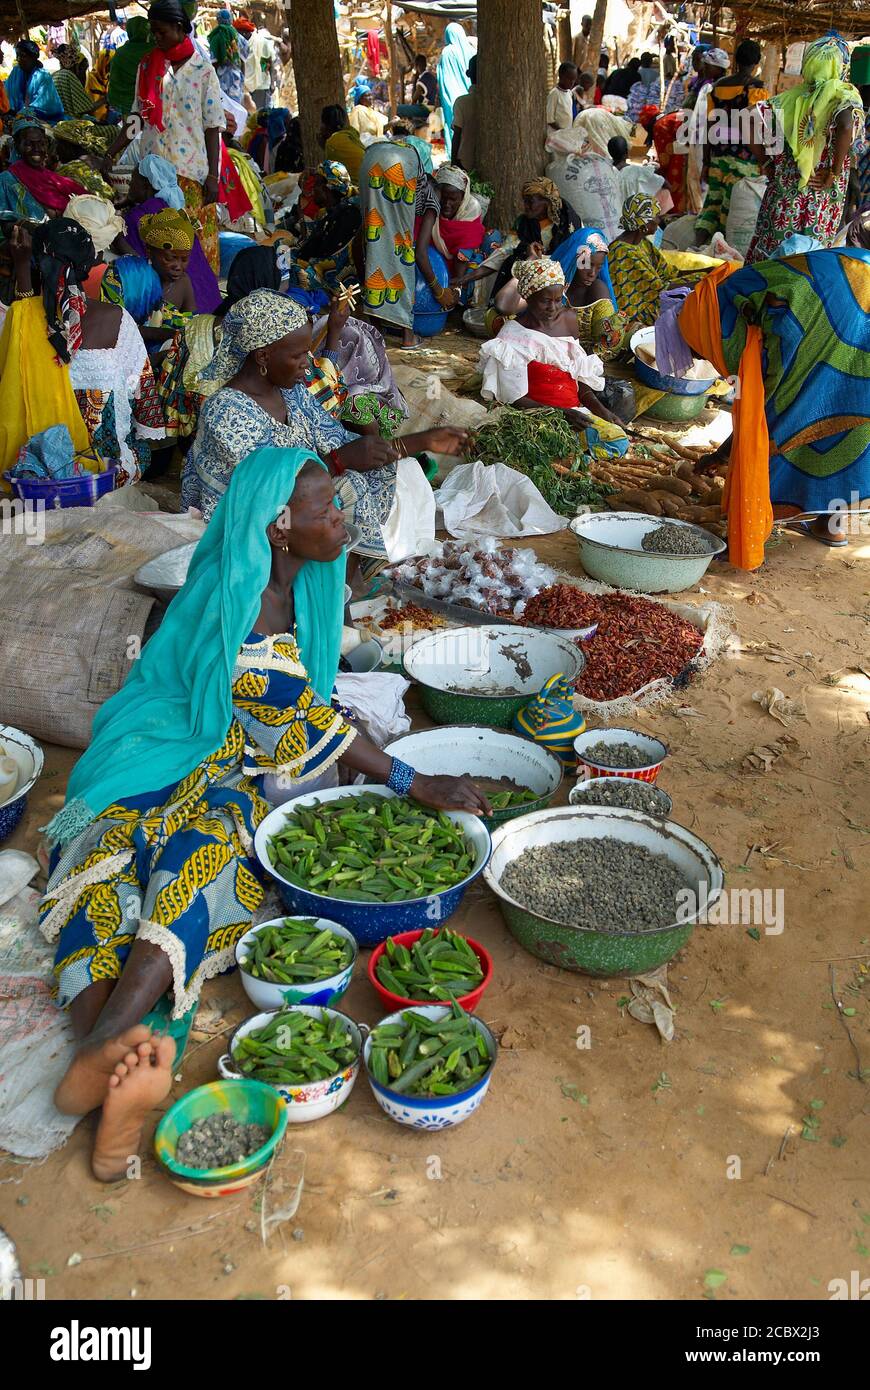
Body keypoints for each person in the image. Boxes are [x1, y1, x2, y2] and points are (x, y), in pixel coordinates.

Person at [41, 443, 491, 1180]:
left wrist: (344, 724)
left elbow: (304, 702)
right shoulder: (242, 597)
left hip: (218, 758)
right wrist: (413, 779)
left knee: (204, 847)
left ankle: (101, 1049)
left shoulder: (306, 584)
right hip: (152, 751)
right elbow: (294, 719)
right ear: (279, 527)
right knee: (110, 857)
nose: (343, 520)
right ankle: (115, 1043)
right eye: (326, 510)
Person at [182, 289, 467, 540]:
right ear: (263, 356)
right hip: (246, 526)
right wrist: (337, 462)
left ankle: (362, 562)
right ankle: (351, 575)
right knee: (348, 488)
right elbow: (263, 492)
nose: (307, 365)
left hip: (297, 501)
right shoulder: (225, 412)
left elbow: (338, 440)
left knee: (396, 474)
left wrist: (422, 442)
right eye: (298, 356)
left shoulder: (290, 392)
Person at [676, 246, 870, 560]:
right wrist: (723, 454)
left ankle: (754, 528)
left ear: (708, 335)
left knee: (791, 415)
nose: (704, 358)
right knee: (851, 404)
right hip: (853, 288)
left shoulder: (739, 335)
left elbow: (763, 412)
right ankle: (831, 523)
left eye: (700, 351)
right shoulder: (733, 297)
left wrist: (727, 453)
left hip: (837, 306)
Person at [7, 219, 164, 484]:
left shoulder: (24, 320)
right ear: (91, 263)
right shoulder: (117, 319)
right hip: (109, 470)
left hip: (40, 472)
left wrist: (21, 268)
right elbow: (142, 392)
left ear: (36, 265)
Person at [103, 0, 225, 275]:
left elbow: (212, 126)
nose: (155, 38)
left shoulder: (203, 71)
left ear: (179, 27)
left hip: (190, 175)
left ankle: (199, 305)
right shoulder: (147, 66)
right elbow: (136, 117)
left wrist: (213, 177)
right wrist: (112, 152)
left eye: (161, 32)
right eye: (152, 32)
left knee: (192, 247)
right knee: (159, 246)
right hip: (152, 175)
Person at [478, 255, 625, 448]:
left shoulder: (569, 320)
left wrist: (599, 409)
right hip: (534, 417)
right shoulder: (512, 336)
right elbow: (513, 399)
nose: (553, 308)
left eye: (558, 300)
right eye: (545, 301)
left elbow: (577, 375)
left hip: (574, 412)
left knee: (618, 441)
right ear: (528, 297)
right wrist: (560, 413)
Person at [746, 34, 863, 264]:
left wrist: (767, 162)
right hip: (820, 199)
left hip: (782, 197)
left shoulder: (787, 100)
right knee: (807, 265)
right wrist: (834, 171)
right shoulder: (843, 96)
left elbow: (749, 117)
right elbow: (847, 124)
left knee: (771, 259)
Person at [123, 154, 222, 312]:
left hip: (181, 307)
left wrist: (116, 235)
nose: (129, 185)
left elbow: (133, 261)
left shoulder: (138, 216)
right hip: (211, 302)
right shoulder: (171, 210)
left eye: (132, 180)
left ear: (146, 185)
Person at [694, 40, 767, 244]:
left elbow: (710, 126)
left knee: (712, 205)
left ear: (734, 60)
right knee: (733, 211)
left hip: (718, 156)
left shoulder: (717, 88)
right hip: (745, 160)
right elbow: (759, 125)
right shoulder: (756, 89)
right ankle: (724, 254)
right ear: (757, 62)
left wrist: (707, 162)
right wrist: (765, 159)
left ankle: (697, 244)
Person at [356, 135, 427, 347]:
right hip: (400, 165)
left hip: (369, 161)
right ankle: (407, 335)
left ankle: (377, 331)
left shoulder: (375, 150)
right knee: (403, 251)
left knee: (374, 247)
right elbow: (421, 244)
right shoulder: (427, 186)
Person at [608, 192, 707, 326]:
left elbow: (669, 272)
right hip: (637, 312)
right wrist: (703, 283)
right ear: (644, 225)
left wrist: (708, 271)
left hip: (652, 296)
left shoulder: (642, 243)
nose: (659, 220)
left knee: (701, 281)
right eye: (656, 217)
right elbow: (660, 290)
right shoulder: (624, 252)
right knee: (696, 299)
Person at [415, 164, 485, 303]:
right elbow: (419, 246)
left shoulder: (471, 209)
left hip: (461, 265)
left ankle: (457, 290)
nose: (447, 204)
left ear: (463, 198)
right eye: (443, 198)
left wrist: (457, 285)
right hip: (431, 261)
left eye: (453, 199)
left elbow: (466, 247)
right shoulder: (429, 206)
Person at [289, 159, 360, 296]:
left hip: (335, 279)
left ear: (327, 188)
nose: (313, 190)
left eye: (316, 185)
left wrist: (299, 264)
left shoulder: (348, 214)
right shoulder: (332, 211)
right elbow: (311, 242)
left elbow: (329, 255)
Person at [0, 115, 85, 221]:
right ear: (17, 146)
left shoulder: (55, 179)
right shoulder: (6, 180)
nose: (37, 149)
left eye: (41, 143)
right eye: (28, 144)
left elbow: (86, 203)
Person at [138, 207, 198, 322]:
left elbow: (191, 324)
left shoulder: (183, 283)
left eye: (184, 259)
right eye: (170, 258)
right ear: (149, 252)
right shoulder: (135, 278)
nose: (178, 266)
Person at [52, 120, 117, 198]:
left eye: (58, 144)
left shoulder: (70, 169)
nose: (56, 150)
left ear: (67, 147)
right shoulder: (99, 160)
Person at [4, 40, 64, 123]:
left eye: (23, 56)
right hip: (15, 116)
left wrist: (23, 114)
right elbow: (7, 93)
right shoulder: (16, 71)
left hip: (41, 118)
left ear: (33, 57)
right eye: (17, 56)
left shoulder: (43, 76)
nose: (18, 59)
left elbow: (43, 106)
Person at [437, 21, 473, 156]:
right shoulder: (471, 50)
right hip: (471, 95)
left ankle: (455, 158)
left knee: (454, 128)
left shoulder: (447, 52)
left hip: (452, 97)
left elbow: (443, 78)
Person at [107, 15, 153, 116]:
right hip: (151, 105)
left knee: (130, 130)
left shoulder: (120, 53)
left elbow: (115, 81)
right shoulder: (156, 51)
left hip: (126, 106)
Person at [209, 6, 248, 103]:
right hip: (236, 78)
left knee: (224, 109)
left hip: (221, 79)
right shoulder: (239, 38)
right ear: (231, 19)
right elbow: (243, 61)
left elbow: (214, 63)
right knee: (236, 108)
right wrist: (243, 78)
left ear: (218, 20)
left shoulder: (216, 38)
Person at [320, 104, 365, 184]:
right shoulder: (350, 133)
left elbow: (331, 175)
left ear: (325, 125)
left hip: (358, 189)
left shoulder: (332, 143)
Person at [51, 43, 94, 118]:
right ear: (76, 66)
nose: (84, 75)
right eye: (82, 69)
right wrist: (105, 99)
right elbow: (86, 109)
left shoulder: (55, 75)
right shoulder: (68, 76)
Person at [451, 54, 478, 172]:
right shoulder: (495, 102)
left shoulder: (462, 102)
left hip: (465, 162)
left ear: (468, 74)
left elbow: (457, 135)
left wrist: (453, 165)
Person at [627, 52, 661, 126]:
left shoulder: (637, 73)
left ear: (641, 61)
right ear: (651, 62)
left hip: (638, 104)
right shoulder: (657, 75)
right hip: (650, 105)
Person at [547, 61, 578, 132]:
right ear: (561, 76)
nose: (572, 82)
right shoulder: (554, 94)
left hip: (566, 133)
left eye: (574, 79)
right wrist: (561, 131)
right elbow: (549, 119)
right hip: (556, 134)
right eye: (569, 79)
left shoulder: (569, 93)